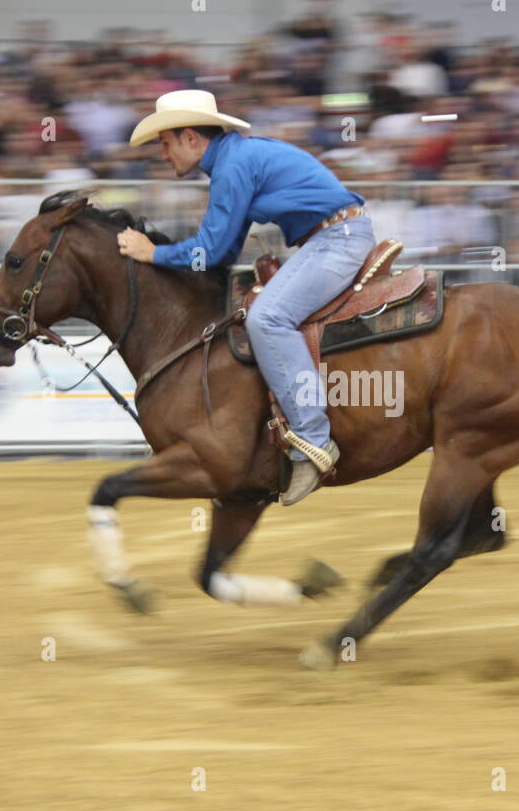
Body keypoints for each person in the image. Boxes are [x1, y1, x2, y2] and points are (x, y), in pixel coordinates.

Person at [116, 89, 376, 505]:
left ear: (190, 138)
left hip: (336, 241)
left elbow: (212, 251)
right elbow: (222, 251)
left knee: (267, 319)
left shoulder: (233, 166)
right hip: (330, 238)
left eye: (164, 144)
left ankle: (313, 440)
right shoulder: (237, 159)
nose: (162, 155)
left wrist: (153, 252)